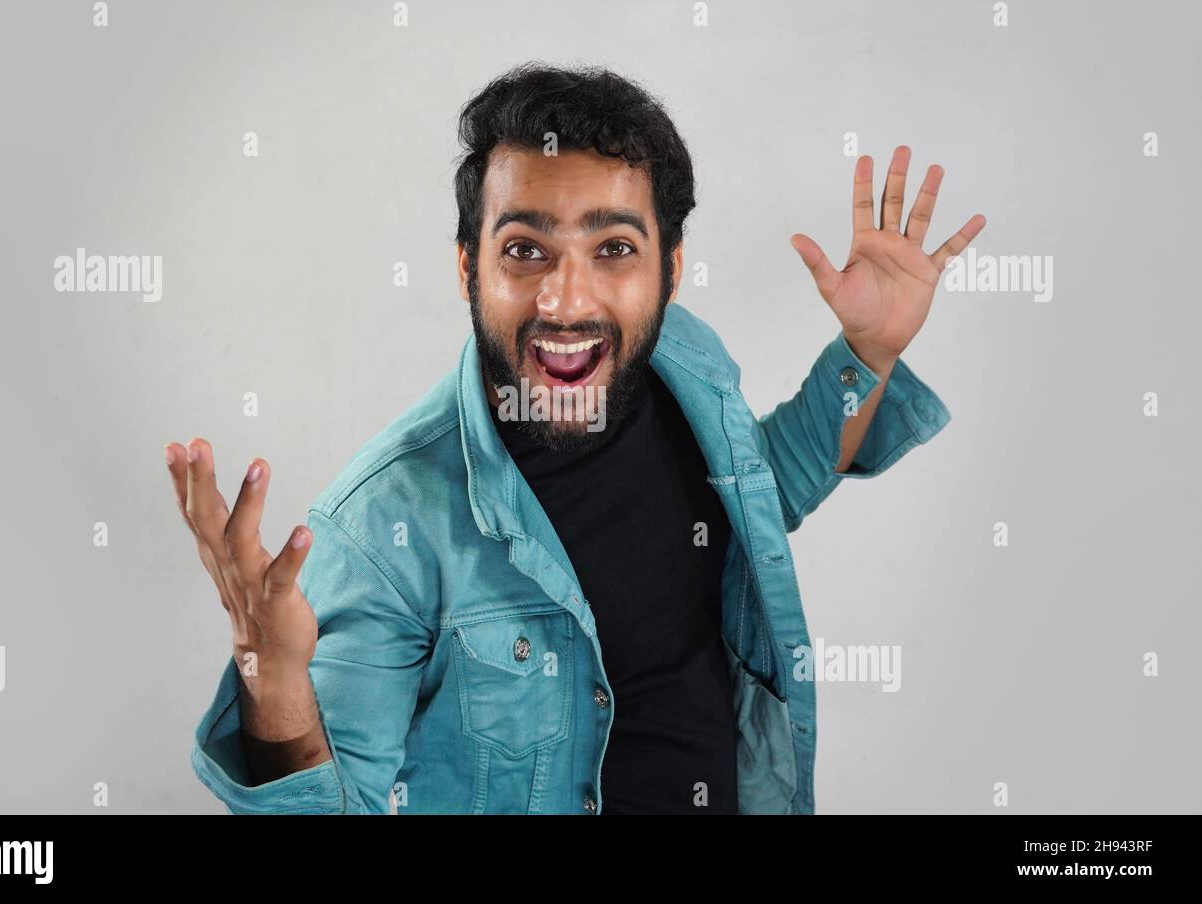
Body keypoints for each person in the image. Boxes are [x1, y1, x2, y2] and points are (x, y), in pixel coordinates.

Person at [166, 63, 983, 814]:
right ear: (466, 269)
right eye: (525, 250)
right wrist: (270, 680)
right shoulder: (384, 529)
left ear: (670, 269)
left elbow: (760, 494)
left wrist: (867, 356)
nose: (565, 300)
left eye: (614, 249)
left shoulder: (685, 368)